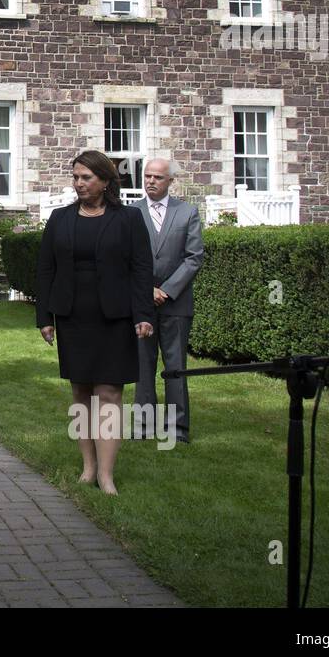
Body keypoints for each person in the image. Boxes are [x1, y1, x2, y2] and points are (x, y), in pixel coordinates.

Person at [36, 150, 154, 494]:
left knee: (110, 392)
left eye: (86, 178)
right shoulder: (59, 218)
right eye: (75, 177)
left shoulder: (128, 219)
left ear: (105, 181)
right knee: (80, 391)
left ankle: (106, 474)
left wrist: (144, 313)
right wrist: (44, 316)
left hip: (114, 316)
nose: (79, 184)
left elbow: (141, 268)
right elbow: (46, 270)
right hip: (73, 315)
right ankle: (87, 467)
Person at [134, 158, 204, 444]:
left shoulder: (187, 213)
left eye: (157, 177)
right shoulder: (131, 213)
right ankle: (143, 427)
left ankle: (178, 430)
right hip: (141, 303)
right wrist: (147, 289)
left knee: (175, 366)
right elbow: (124, 258)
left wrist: (167, 289)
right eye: (147, 176)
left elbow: (194, 257)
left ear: (170, 181)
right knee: (143, 365)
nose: (151, 181)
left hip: (176, 304)